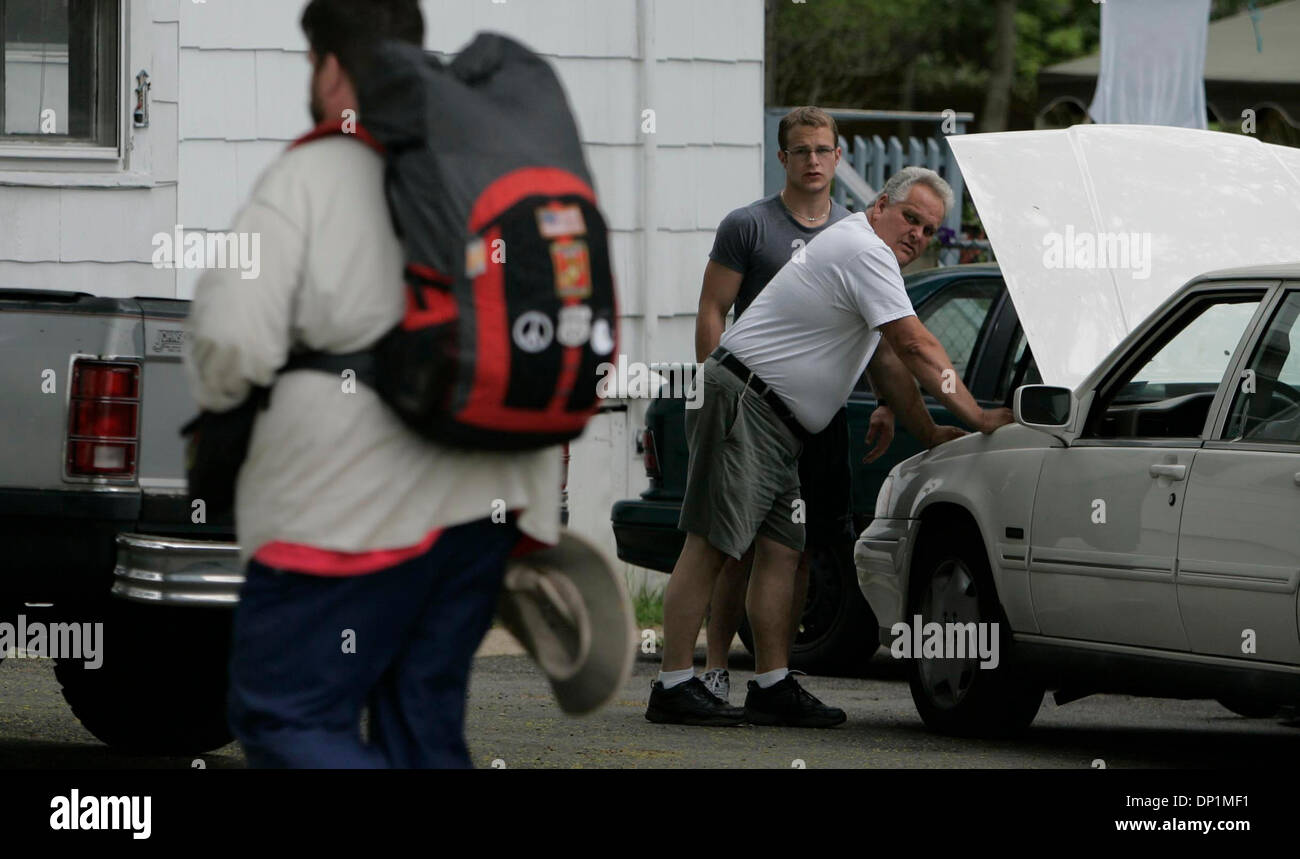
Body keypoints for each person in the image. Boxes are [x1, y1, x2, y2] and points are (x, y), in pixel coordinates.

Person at [183, 0, 562, 767]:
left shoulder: (311, 172)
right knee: (419, 725)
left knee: (286, 716)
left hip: (345, 509)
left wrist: (227, 414)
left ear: (330, 69)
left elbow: (230, 336)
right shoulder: (488, 155)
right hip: (487, 502)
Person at [646, 166, 1015, 727]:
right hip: (745, 401)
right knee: (711, 545)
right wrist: (977, 414)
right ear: (879, 207)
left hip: (777, 422)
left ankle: (770, 685)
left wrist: (931, 432)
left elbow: (889, 361)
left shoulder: (871, 258)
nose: (916, 234)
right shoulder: (865, 249)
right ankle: (673, 684)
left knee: (783, 550)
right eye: (909, 218)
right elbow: (915, 343)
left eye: (929, 230)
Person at [692, 106, 896, 704]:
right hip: (753, 411)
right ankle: (712, 667)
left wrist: (885, 401)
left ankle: (774, 677)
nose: (812, 160)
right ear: (782, 158)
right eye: (801, 150)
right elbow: (712, 309)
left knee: (801, 545)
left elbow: (880, 327)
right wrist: (713, 391)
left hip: (822, 417)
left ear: (838, 157)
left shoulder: (858, 231)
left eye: (823, 150)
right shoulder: (748, 226)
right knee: (735, 546)